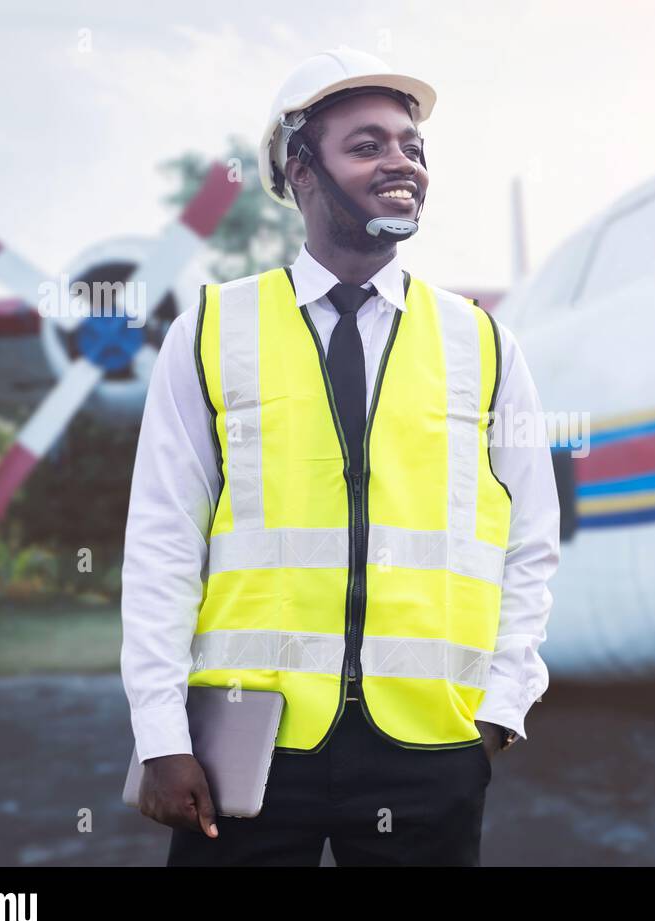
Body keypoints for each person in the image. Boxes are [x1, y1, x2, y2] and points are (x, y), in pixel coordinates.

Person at [119, 47, 560, 866]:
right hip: (245, 749)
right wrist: (159, 731)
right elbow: (161, 541)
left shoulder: (483, 341)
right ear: (301, 171)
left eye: (412, 147)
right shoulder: (212, 331)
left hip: (430, 749)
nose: (402, 164)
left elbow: (531, 537)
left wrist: (502, 707)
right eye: (368, 146)